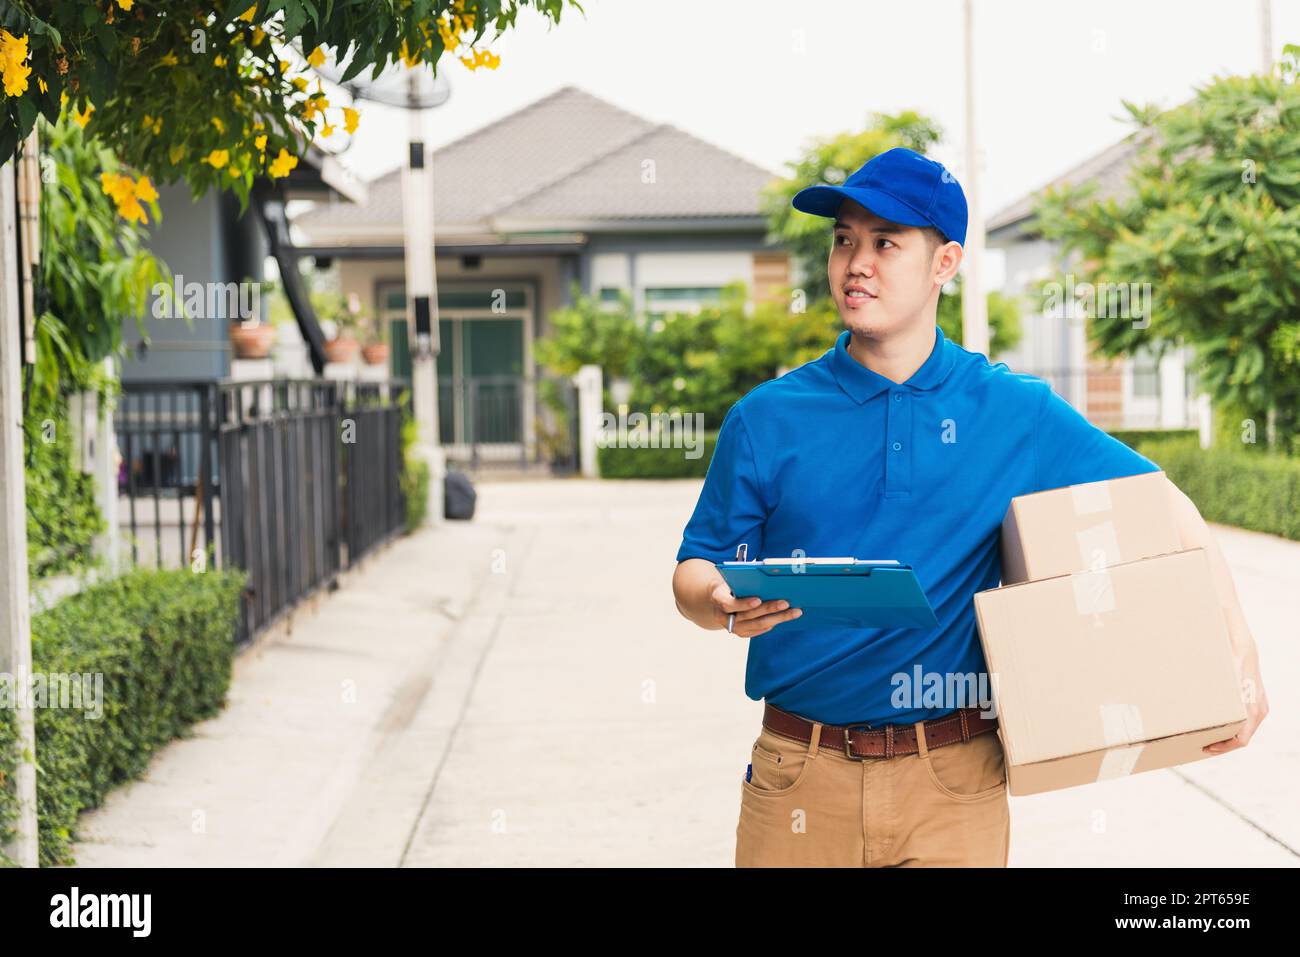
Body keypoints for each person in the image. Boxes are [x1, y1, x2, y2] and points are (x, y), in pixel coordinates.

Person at [670, 147, 1269, 868]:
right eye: (843, 241)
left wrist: (1241, 648)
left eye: (885, 242)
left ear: (945, 263)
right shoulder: (766, 418)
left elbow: (1164, 500)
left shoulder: (1011, 411)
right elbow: (695, 568)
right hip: (800, 773)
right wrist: (718, 599)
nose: (856, 262)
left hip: (953, 783)